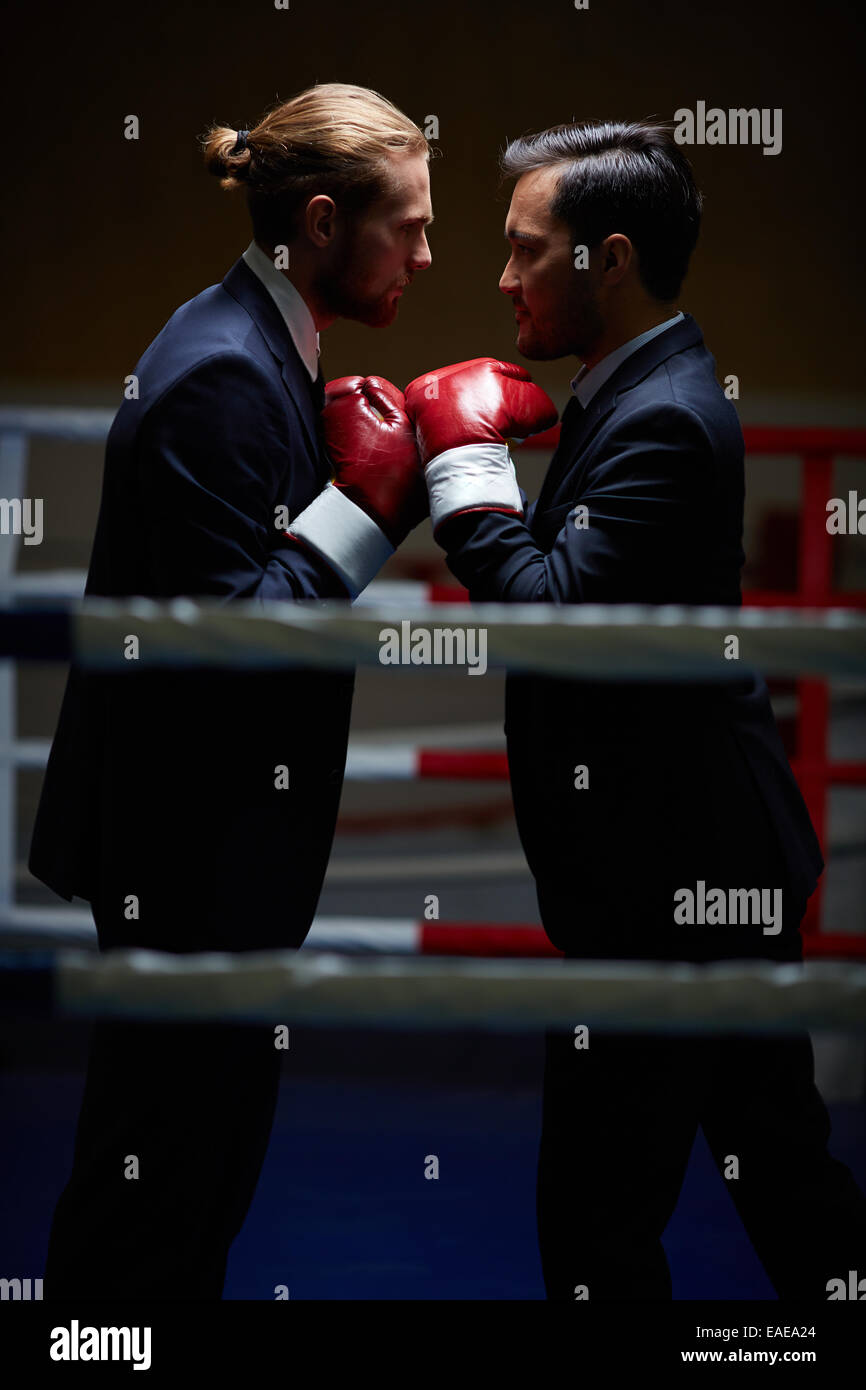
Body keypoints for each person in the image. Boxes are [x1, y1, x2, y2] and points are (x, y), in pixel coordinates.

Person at [404, 120, 866, 1300]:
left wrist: (459, 473)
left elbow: (554, 612)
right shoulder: (634, 391)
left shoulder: (660, 415)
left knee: (598, 1220)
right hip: (690, 863)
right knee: (778, 1170)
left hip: (674, 883)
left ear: (604, 259)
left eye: (522, 251)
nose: (500, 279)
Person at [30, 81, 432, 1299]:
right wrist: (361, 514)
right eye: (404, 224)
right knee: (149, 1195)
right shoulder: (219, 370)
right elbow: (229, 642)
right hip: (188, 854)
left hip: (212, 851)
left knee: (195, 1191)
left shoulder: (257, 349)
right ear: (319, 224)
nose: (428, 250)